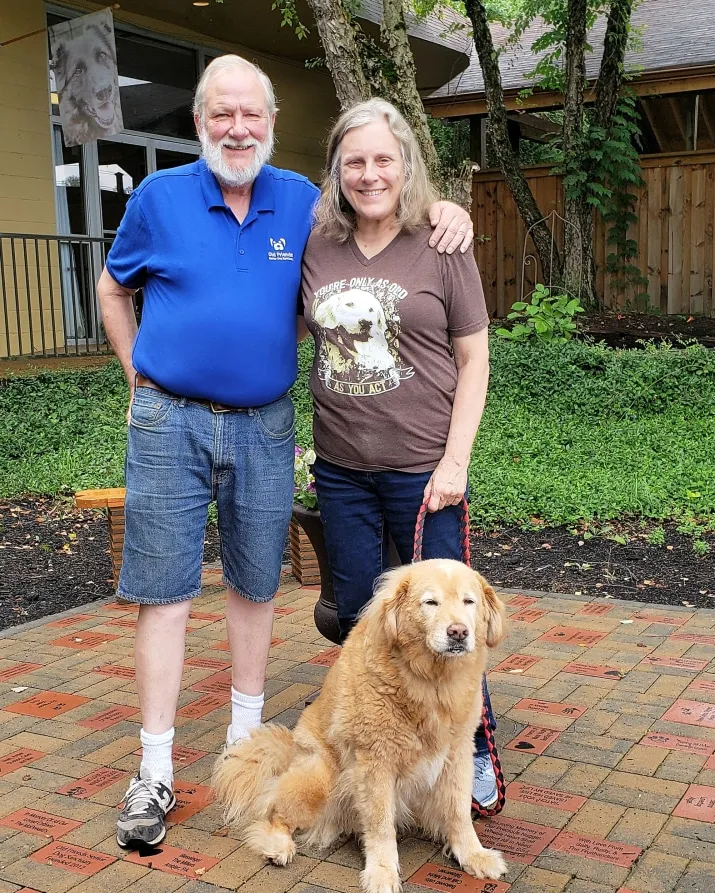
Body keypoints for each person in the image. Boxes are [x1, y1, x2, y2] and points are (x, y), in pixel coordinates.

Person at [96, 56, 474, 849]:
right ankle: (155, 769)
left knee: (256, 582)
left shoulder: (302, 203)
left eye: (253, 115)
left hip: (267, 424)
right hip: (172, 420)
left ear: (270, 124)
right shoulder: (160, 200)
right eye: (221, 114)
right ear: (199, 121)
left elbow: (381, 214)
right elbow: (111, 288)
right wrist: (138, 375)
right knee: (165, 592)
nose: (238, 128)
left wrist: (445, 207)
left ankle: (248, 738)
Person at [300, 98, 498, 809]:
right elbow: (289, 331)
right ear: (336, 170)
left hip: (425, 470)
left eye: (384, 158)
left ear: (406, 165)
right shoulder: (316, 243)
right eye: (354, 160)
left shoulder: (442, 242)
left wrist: (456, 461)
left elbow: (473, 359)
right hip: (342, 469)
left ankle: (467, 749)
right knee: (362, 612)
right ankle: (385, 741)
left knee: (452, 620)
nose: (369, 173)